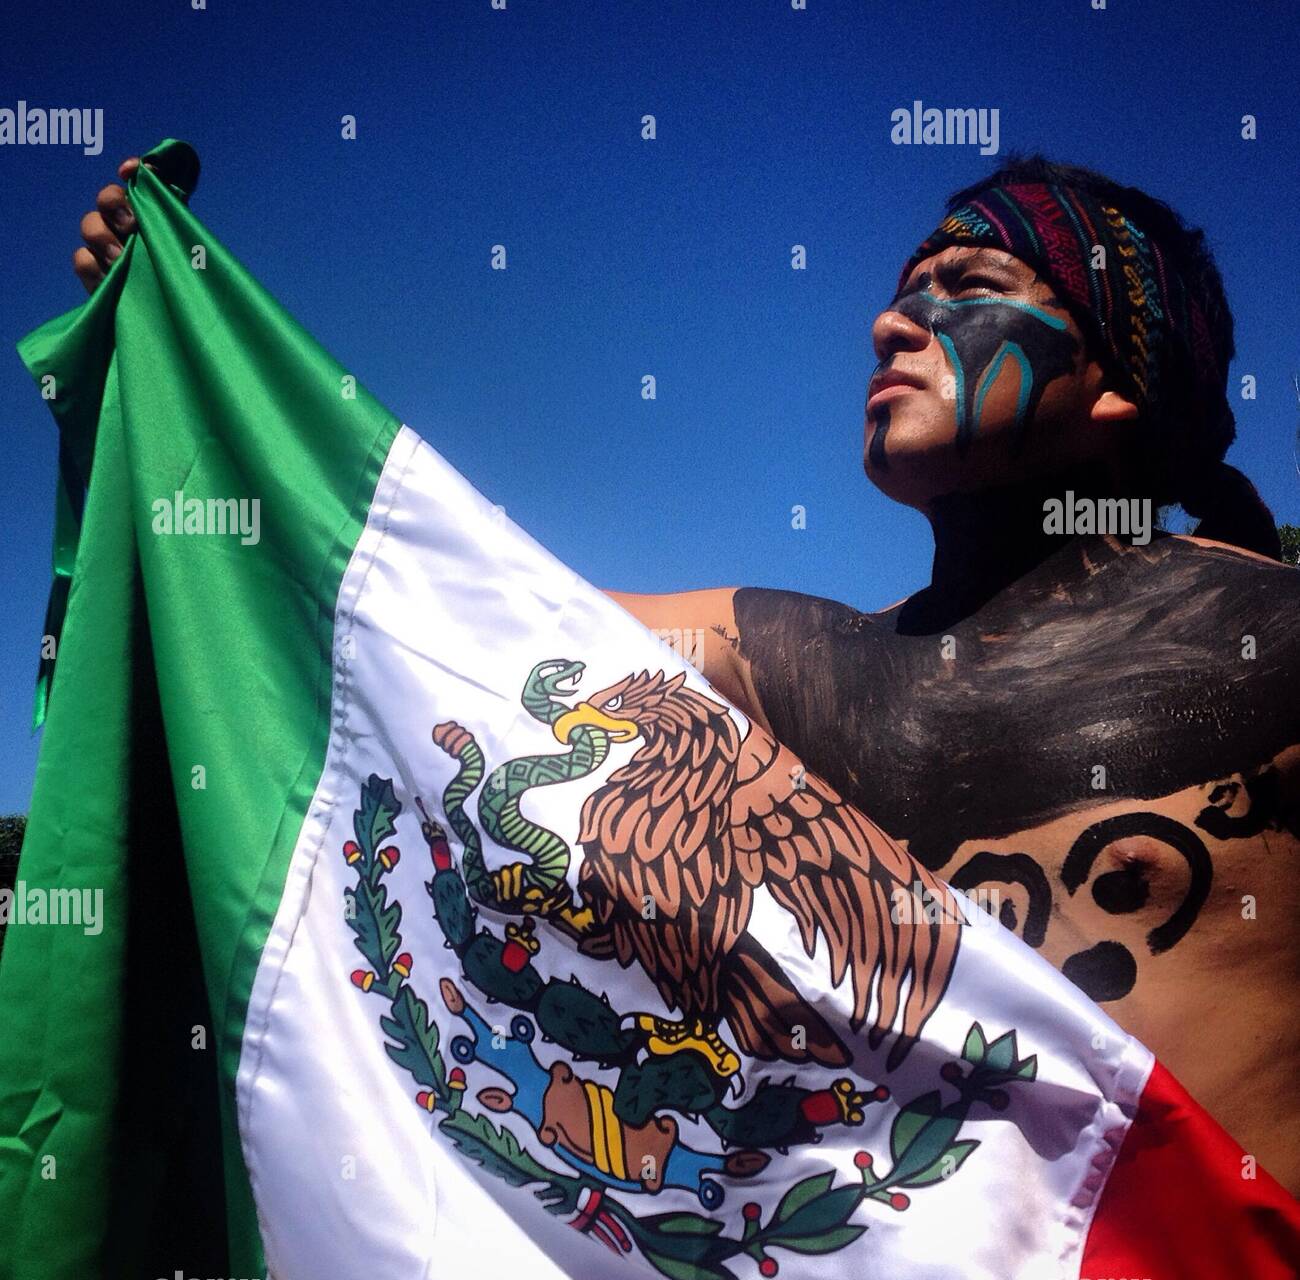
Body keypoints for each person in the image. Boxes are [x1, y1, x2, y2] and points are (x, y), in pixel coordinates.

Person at [73, 153, 1299, 1193]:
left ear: (1124, 383)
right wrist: (190, 365)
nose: (890, 321)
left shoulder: (1276, 644)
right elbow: (423, 605)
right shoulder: (814, 667)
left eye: (969, 289)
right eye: (901, 289)